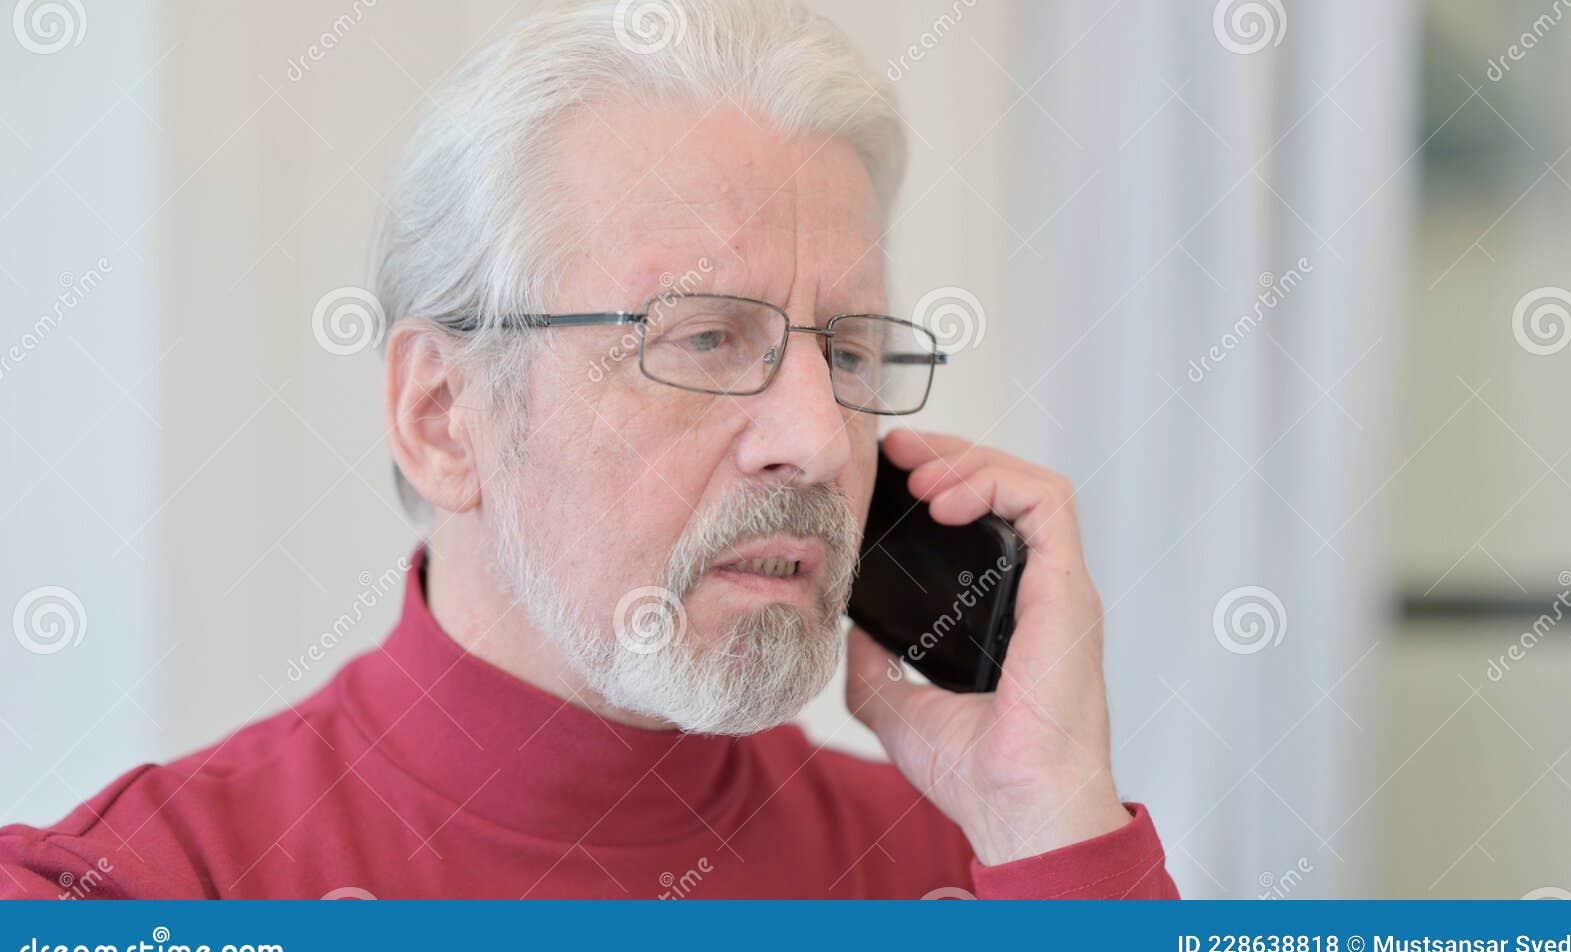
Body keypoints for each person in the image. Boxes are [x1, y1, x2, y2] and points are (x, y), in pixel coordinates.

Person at [0, 0, 1177, 900]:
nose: (820, 441)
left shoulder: (978, 871)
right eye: (707, 337)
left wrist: (1048, 826)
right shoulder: (127, 900)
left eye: (853, 352)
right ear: (439, 415)